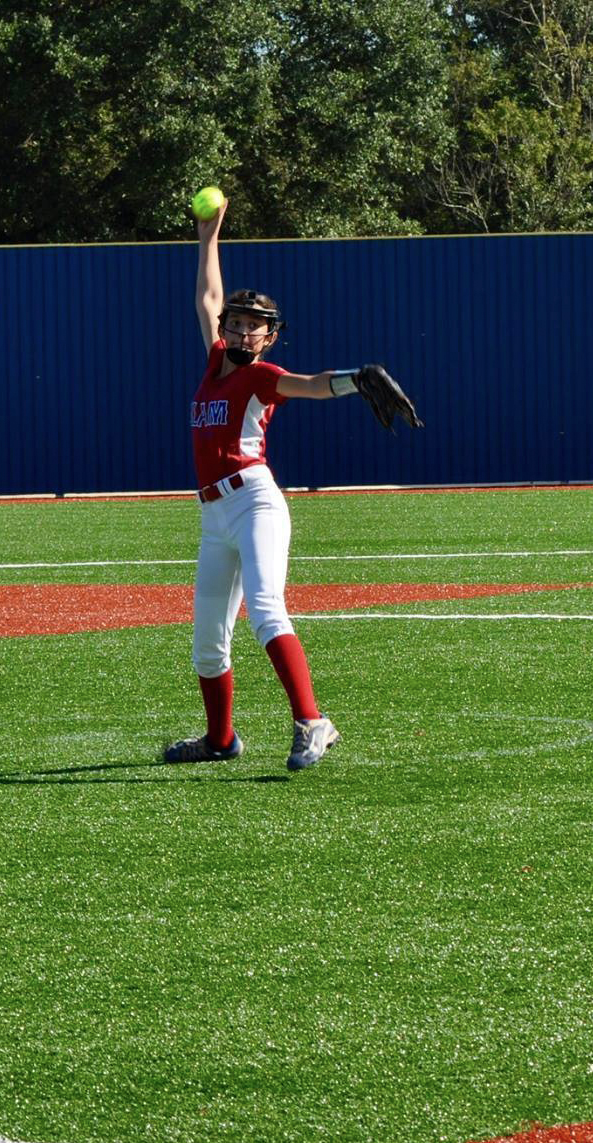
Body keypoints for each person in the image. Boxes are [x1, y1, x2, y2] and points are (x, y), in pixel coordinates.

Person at [167, 196, 417, 772]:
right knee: (206, 643)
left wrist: (358, 379)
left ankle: (312, 721)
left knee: (266, 610)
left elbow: (310, 384)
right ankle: (221, 740)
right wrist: (208, 238)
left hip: (255, 502)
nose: (240, 329)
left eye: (253, 326)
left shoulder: (261, 375)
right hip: (214, 516)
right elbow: (207, 296)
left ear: (268, 337)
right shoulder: (214, 364)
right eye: (235, 322)